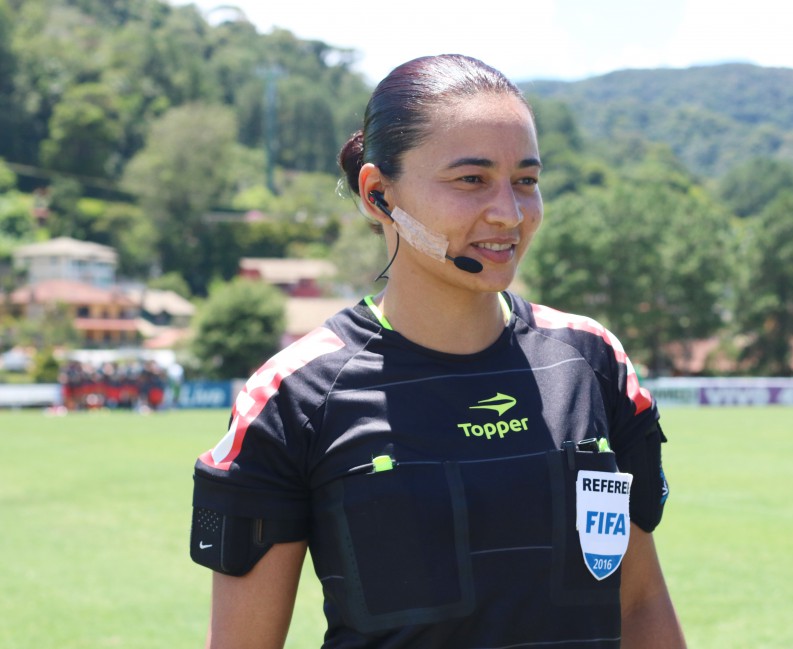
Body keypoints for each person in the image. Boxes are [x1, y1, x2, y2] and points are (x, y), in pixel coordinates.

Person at [190, 54, 685, 649]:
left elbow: (642, 604)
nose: (509, 213)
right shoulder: (295, 395)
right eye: (471, 179)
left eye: (526, 180)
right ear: (379, 195)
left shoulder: (592, 359)